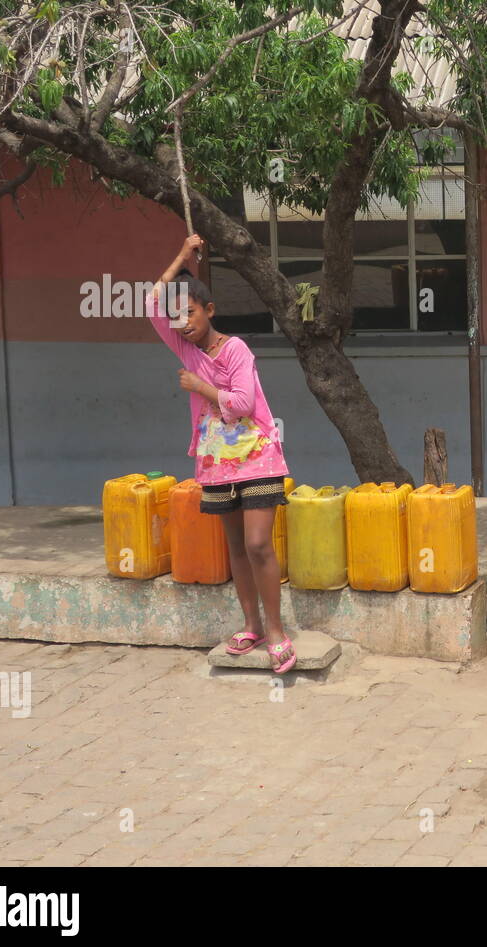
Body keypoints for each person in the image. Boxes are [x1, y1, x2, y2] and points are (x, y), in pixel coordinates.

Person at [147, 234, 296, 674]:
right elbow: (152, 301)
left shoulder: (235, 350)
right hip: (216, 463)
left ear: (209, 311)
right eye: (177, 318)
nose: (183, 323)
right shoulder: (184, 348)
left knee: (257, 544)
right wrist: (182, 254)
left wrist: (201, 387)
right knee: (235, 546)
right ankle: (250, 625)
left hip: (258, 458)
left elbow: (242, 404)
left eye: (189, 312)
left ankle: (276, 631)